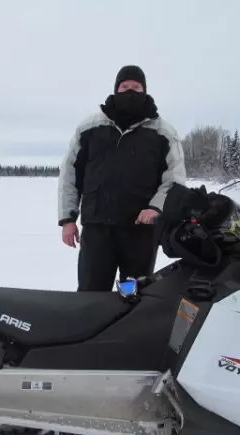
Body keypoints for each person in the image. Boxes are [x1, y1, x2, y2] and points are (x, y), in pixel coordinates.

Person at [58, 65, 187, 291]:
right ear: (116, 89)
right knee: (91, 294)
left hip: (139, 234)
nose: (130, 91)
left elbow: (174, 179)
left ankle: (128, 326)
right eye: (125, 86)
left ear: (145, 91)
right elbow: (70, 174)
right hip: (98, 232)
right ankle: (94, 326)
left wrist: (156, 209)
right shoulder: (90, 128)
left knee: (132, 296)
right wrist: (68, 219)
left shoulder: (163, 132)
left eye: (136, 87)